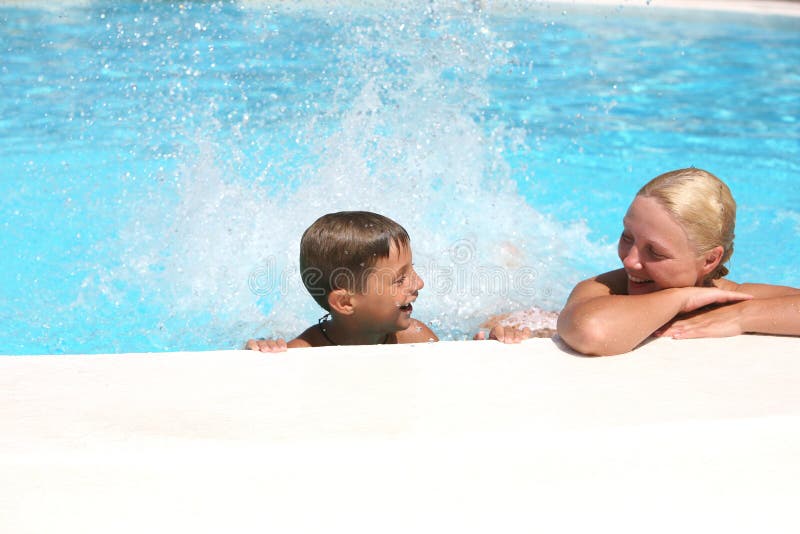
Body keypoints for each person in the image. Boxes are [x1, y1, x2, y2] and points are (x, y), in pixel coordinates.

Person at [557, 167, 800, 356]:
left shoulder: (727, 299)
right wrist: (680, 298)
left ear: (709, 260)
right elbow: (592, 331)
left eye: (655, 252)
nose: (630, 261)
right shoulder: (603, 289)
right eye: (627, 237)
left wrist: (741, 316)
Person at [246, 211, 530, 352]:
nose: (419, 284)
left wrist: (487, 346)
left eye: (412, 270)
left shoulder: (416, 337)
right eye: (399, 279)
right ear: (345, 302)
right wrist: (259, 353)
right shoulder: (305, 352)